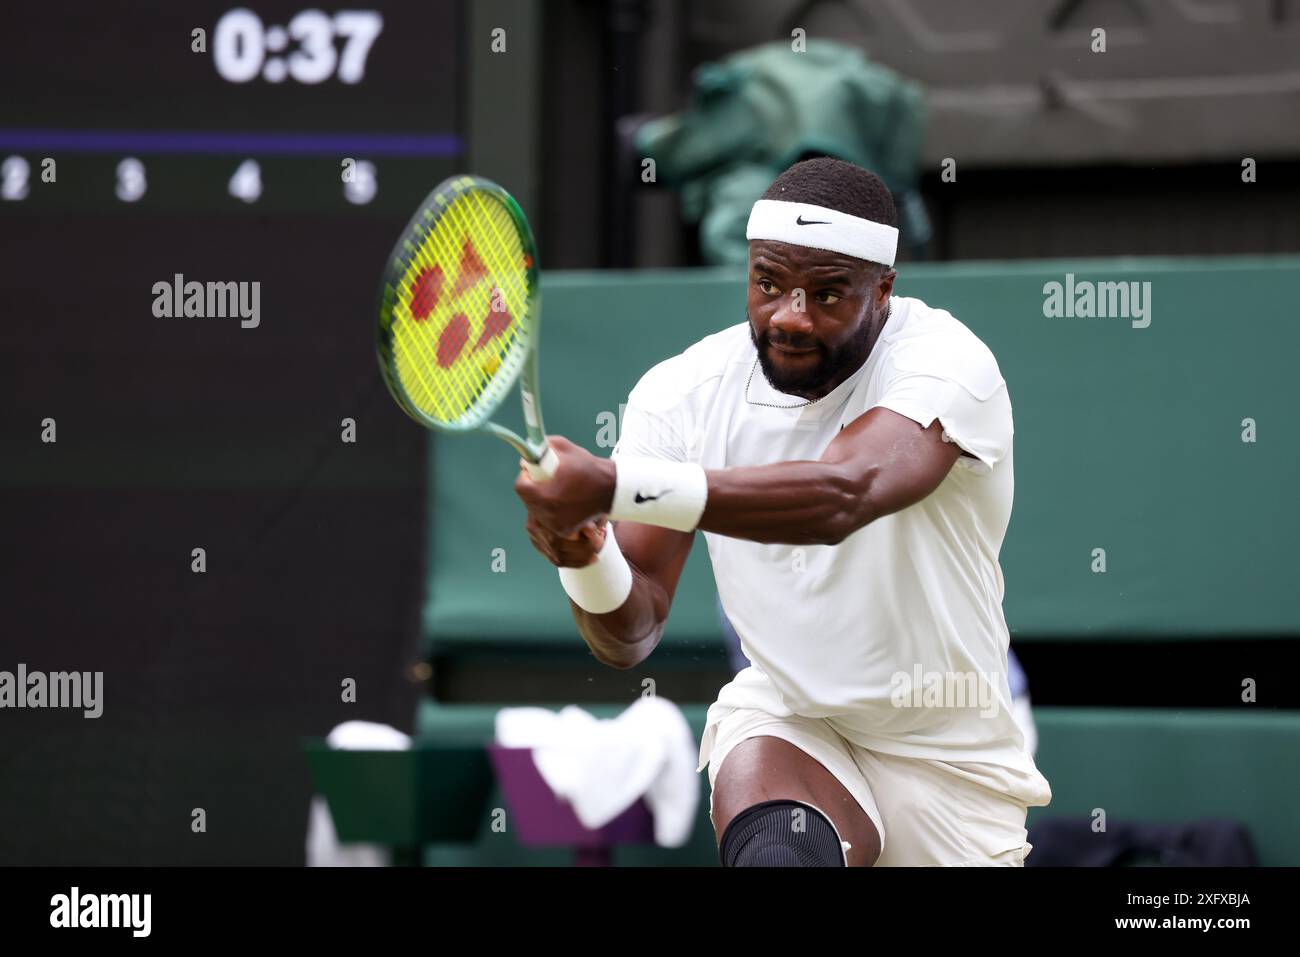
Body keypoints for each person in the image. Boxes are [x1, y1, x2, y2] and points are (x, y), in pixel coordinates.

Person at [513, 157, 1051, 866]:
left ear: (883, 290)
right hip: (793, 719)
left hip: (949, 756)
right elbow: (630, 632)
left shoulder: (948, 365)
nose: (790, 317)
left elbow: (841, 493)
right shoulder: (681, 394)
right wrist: (585, 557)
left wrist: (614, 486)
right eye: (769, 283)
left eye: (827, 294)